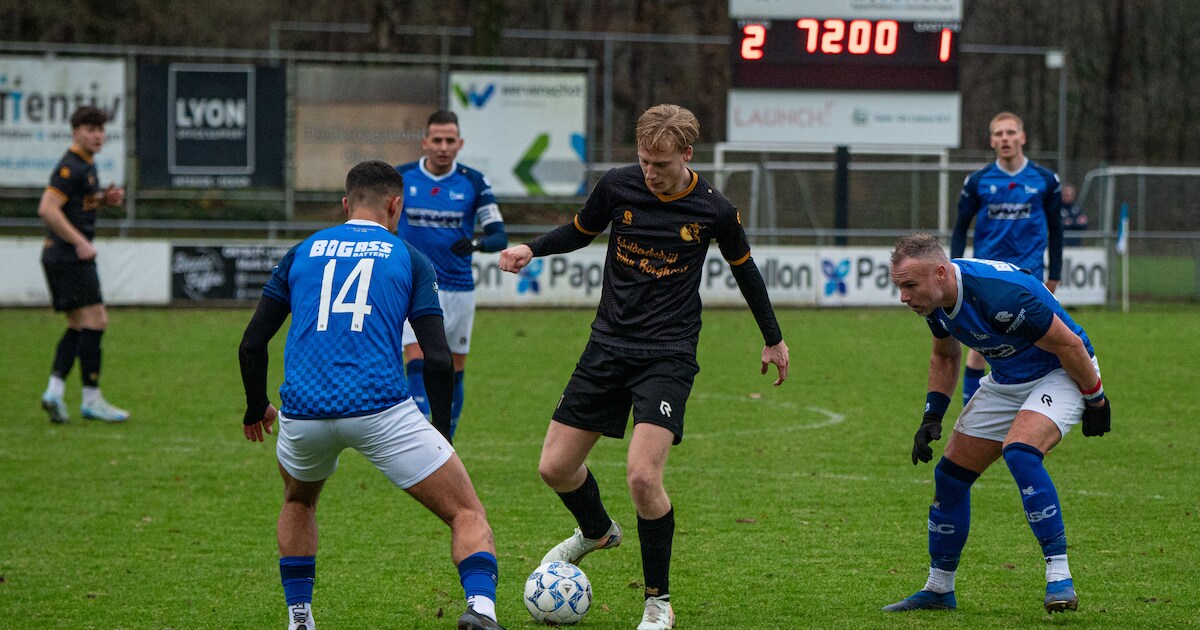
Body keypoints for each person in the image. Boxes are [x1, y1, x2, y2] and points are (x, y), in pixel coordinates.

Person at [498, 104, 790, 630]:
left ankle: (658, 602)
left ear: (687, 154)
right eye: (644, 161)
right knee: (554, 468)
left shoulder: (713, 209)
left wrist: (773, 339)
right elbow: (579, 232)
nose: (651, 173)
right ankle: (596, 531)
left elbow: (745, 271)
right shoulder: (617, 187)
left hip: (668, 353)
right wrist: (531, 249)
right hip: (607, 345)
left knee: (641, 475)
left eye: (661, 163)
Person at [238, 161, 504, 630]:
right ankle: (480, 610)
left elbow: (251, 343)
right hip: (381, 409)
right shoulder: (409, 257)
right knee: (466, 512)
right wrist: (439, 433)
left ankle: (300, 617)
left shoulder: (300, 251)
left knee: (298, 502)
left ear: (346, 204)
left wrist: (255, 404)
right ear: (395, 205)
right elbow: (438, 360)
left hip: (303, 411)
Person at [884, 232, 1111, 615]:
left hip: (1063, 371)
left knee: (1020, 452)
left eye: (909, 286)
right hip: (1007, 379)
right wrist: (932, 416)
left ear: (940, 273)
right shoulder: (936, 303)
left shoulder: (1001, 295)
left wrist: (1096, 398)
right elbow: (945, 355)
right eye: (899, 287)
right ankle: (939, 589)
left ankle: (1060, 577)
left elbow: (1069, 345)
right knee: (950, 477)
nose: (903, 297)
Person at [395, 110, 508, 441]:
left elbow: (499, 235)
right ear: (425, 142)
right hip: (412, 286)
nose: (443, 147)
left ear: (459, 144)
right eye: (437, 140)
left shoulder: (473, 181)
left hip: (458, 288)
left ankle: (446, 441)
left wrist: (476, 244)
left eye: (449, 140)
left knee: (453, 370)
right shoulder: (400, 179)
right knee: (416, 358)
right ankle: (416, 439)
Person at [951, 112, 1064, 406]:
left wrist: (1057, 271)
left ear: (1022, 137)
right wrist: (953, 268)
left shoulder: (1045, 180)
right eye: (999, 134)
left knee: (1039, 341)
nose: (1005, 138)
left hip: (1030, 274)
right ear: (991, 141)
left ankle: (1037, 411)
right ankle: (971, 414)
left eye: (1011, 133)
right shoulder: (977, 181)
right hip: (987, 276)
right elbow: (961, 227)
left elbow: (1056, 229)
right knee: (981, 343)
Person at [37, 105, 130, 424]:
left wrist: (103, 200)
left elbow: (76, 203)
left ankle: (54, 391)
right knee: (97, 320)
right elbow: (47, 208)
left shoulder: (86, 167)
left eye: (101, 129)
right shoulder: (71, 166)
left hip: (57, 256)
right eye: (90, 129)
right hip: (69, 256)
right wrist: (80, 241)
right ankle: (91, 399)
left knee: (77, 325)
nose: (97, 135)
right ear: (75, 131)